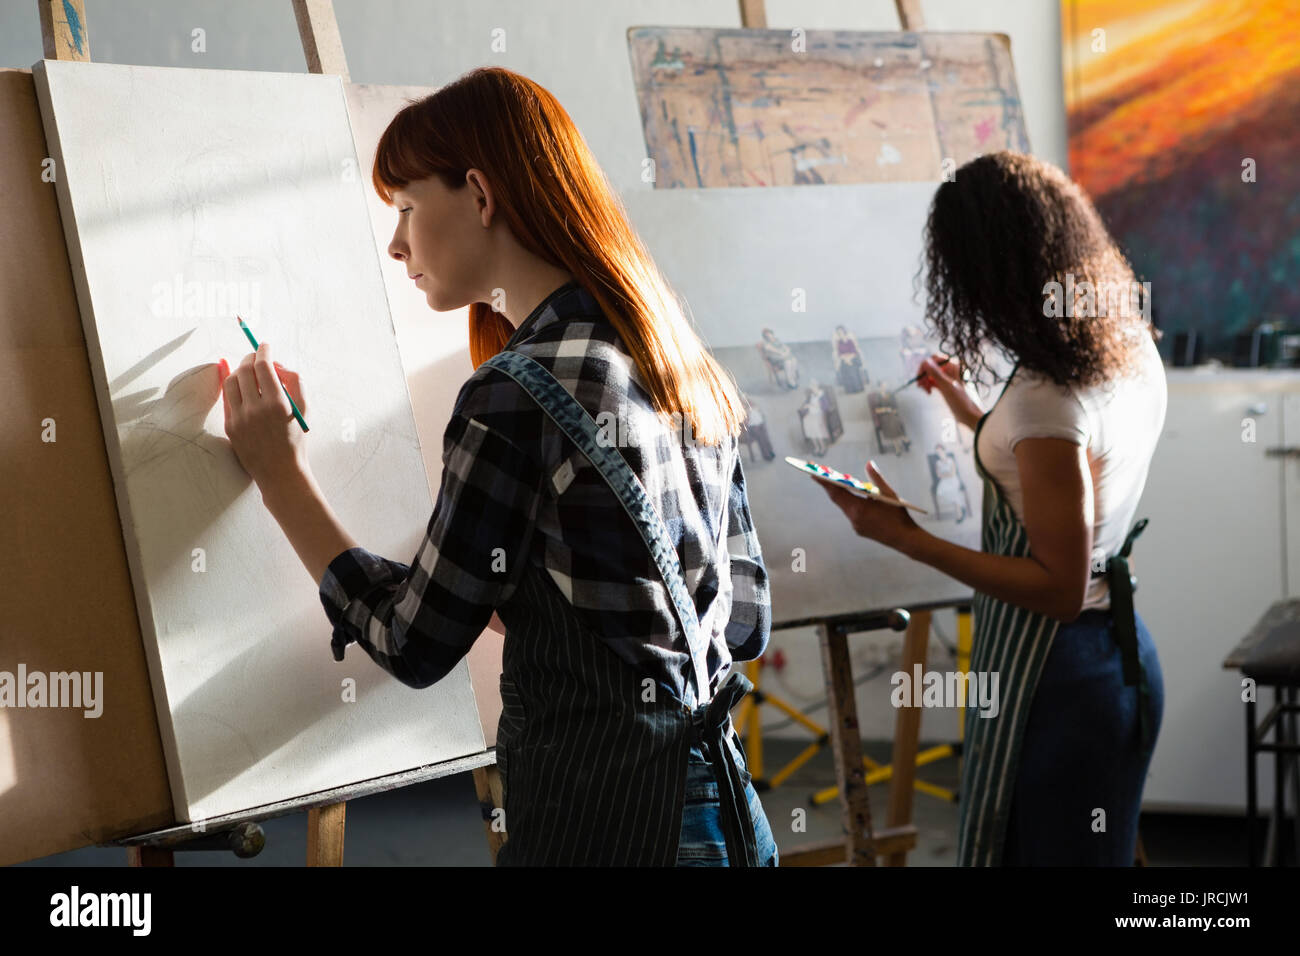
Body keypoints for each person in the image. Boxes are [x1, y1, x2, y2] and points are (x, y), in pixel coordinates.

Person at [215, 67, 777, 866]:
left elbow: (414, 642)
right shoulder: (675, 361)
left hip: (607, 832)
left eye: (407, 206)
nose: (396, 241)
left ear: (480, 195)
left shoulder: (513, 395)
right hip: (727, 817)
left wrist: (281, 478)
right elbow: (743, 620)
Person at [819, 151, 1166, 866]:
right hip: (1118, 659)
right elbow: (1059, 466)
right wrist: (968, 407)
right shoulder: (1123, 346)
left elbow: (1059, 590)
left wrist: (902, 535)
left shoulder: (1044, 402)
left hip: (1061, 675)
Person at [832, 324, 867, 393]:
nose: (840, 334)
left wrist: (849, 359)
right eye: (838, 333)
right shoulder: (839, 343)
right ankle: (850, 390)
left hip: (853, 358)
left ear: (844, 332)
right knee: (845, 369)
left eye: (841, 332)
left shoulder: (850, 341)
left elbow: (854, 351)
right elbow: (839, 353)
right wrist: (846, 359)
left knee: (852, 368)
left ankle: (858, 388)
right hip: (844, 360)